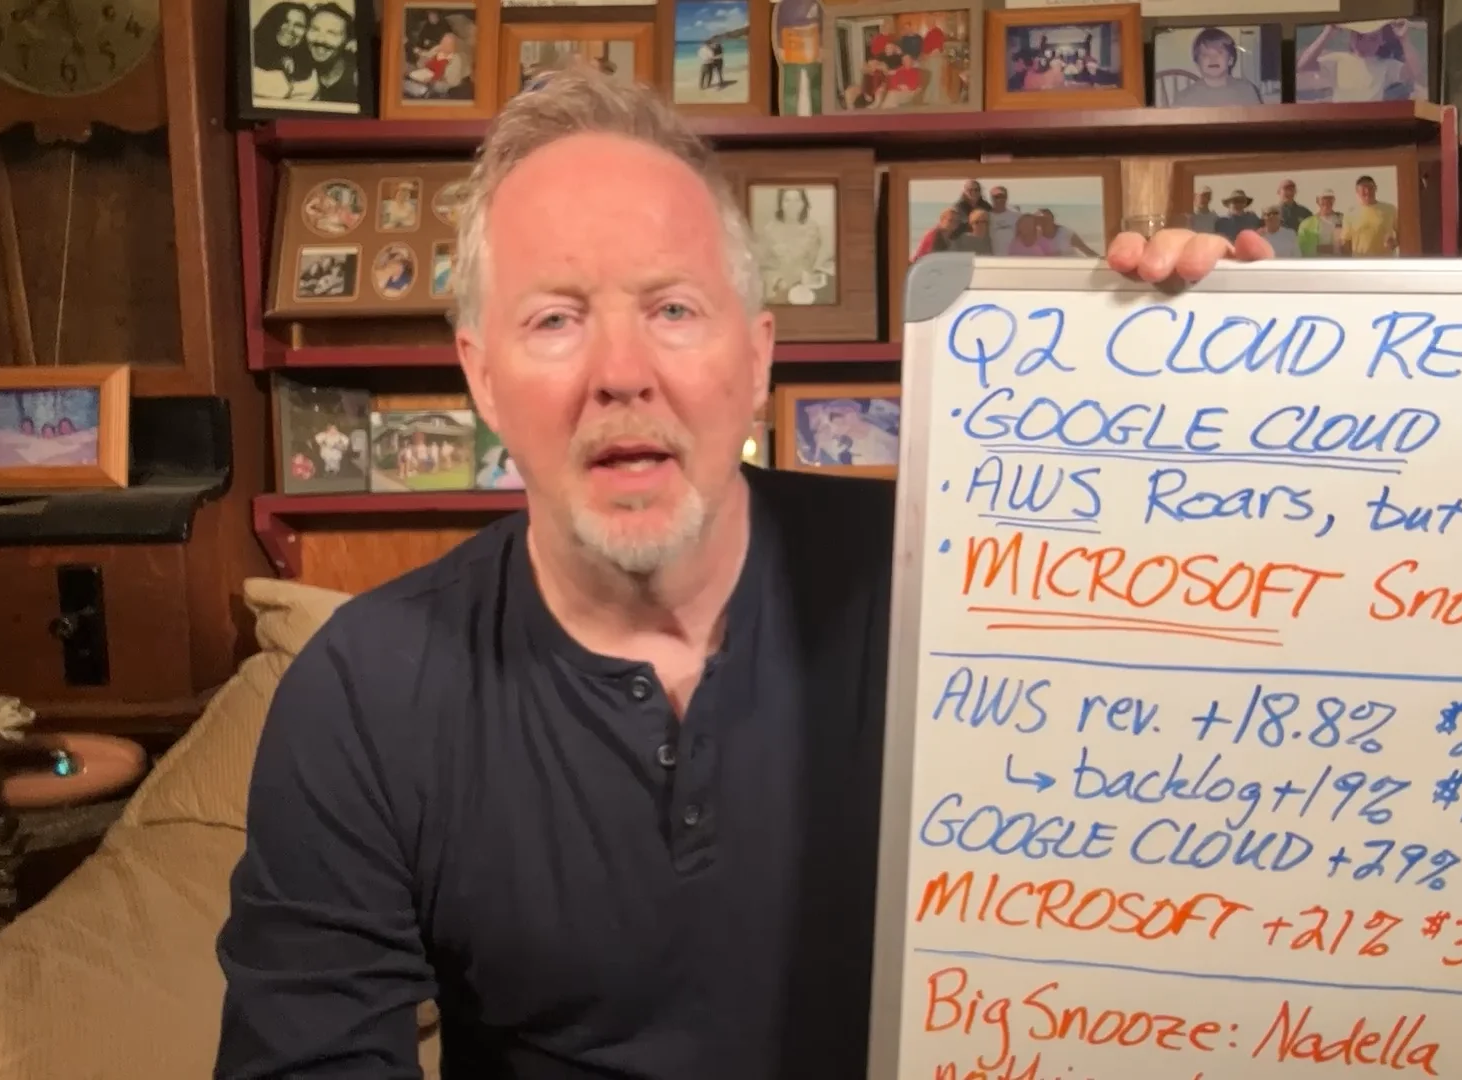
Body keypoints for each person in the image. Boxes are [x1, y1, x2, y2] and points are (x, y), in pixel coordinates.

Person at [212, 66, 1269, 1080]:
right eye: (555, 319)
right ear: (482, 378)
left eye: (673, 309)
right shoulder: (366, 692)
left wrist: (1226, 370)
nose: (622, 373)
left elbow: (1192, 747)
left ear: (758, 357)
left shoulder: (949, 587)